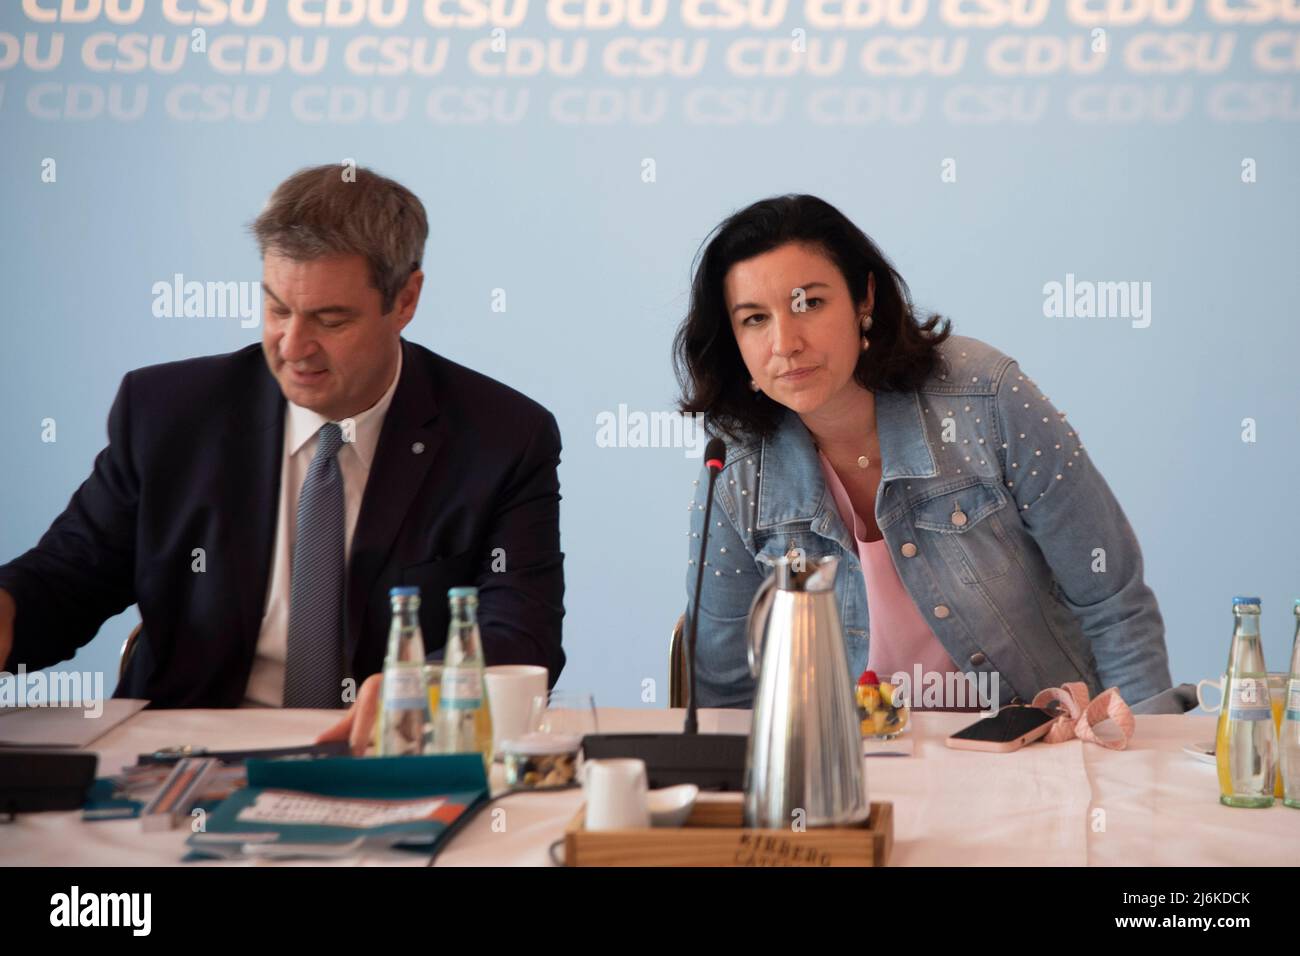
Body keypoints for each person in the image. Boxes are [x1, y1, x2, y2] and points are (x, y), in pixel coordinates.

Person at [0, 164, 565, 713]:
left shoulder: (502, 438)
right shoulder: (170, 415)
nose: (293, 345)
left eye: (331, 320)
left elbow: (519, 634)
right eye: (276, 308)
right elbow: (64, 583)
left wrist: (423, 692)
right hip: (187, 757)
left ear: (405, 301)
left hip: (390, 754)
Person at [673, 194, 1174, 711]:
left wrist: (1142, 770)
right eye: (755, 319)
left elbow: (1114, 605)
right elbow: (724, 695)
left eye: (809, 303)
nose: (785, 343)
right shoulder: (734, 470)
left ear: (864, 298)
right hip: (854, 778)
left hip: (1044, 758)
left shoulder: (985, 396)